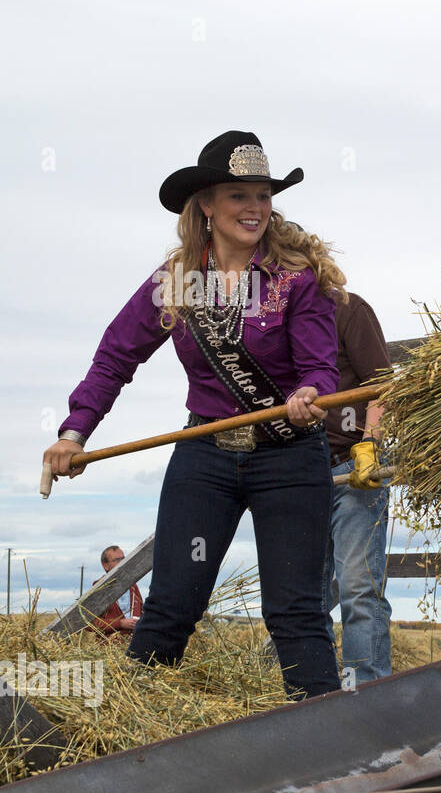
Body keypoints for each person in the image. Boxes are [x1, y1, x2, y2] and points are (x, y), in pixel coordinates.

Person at [42, 131, 343, 699]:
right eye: (238, 196)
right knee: (171, 604)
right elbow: (115, 355)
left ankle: (325, 743)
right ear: (205, 203)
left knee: (296, 611)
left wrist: (309, 397)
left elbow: (320, 368)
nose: (254, 209)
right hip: (204, 458)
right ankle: (129, 739)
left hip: (290, 457)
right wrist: (75, 430)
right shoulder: (177, 282)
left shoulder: (296, 280)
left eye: (263, 195)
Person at [323, 291, 394, 683]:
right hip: (299, 473)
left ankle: (364, 693)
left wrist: (370, 444)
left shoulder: (348, 309)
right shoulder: (275, 320)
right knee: (304, 598)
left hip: (352, 469)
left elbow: (382, 383)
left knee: (358, 589)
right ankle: (309, 697)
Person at [88, 545, 142, 641]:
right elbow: (89, 623)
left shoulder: (133, 586)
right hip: (110, 649)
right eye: (117, 560)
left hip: (135, 644)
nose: (122, 562)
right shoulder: (99, 588)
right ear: (105, 565)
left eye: (123, 558)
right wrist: (120, 623)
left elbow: (141, 611)